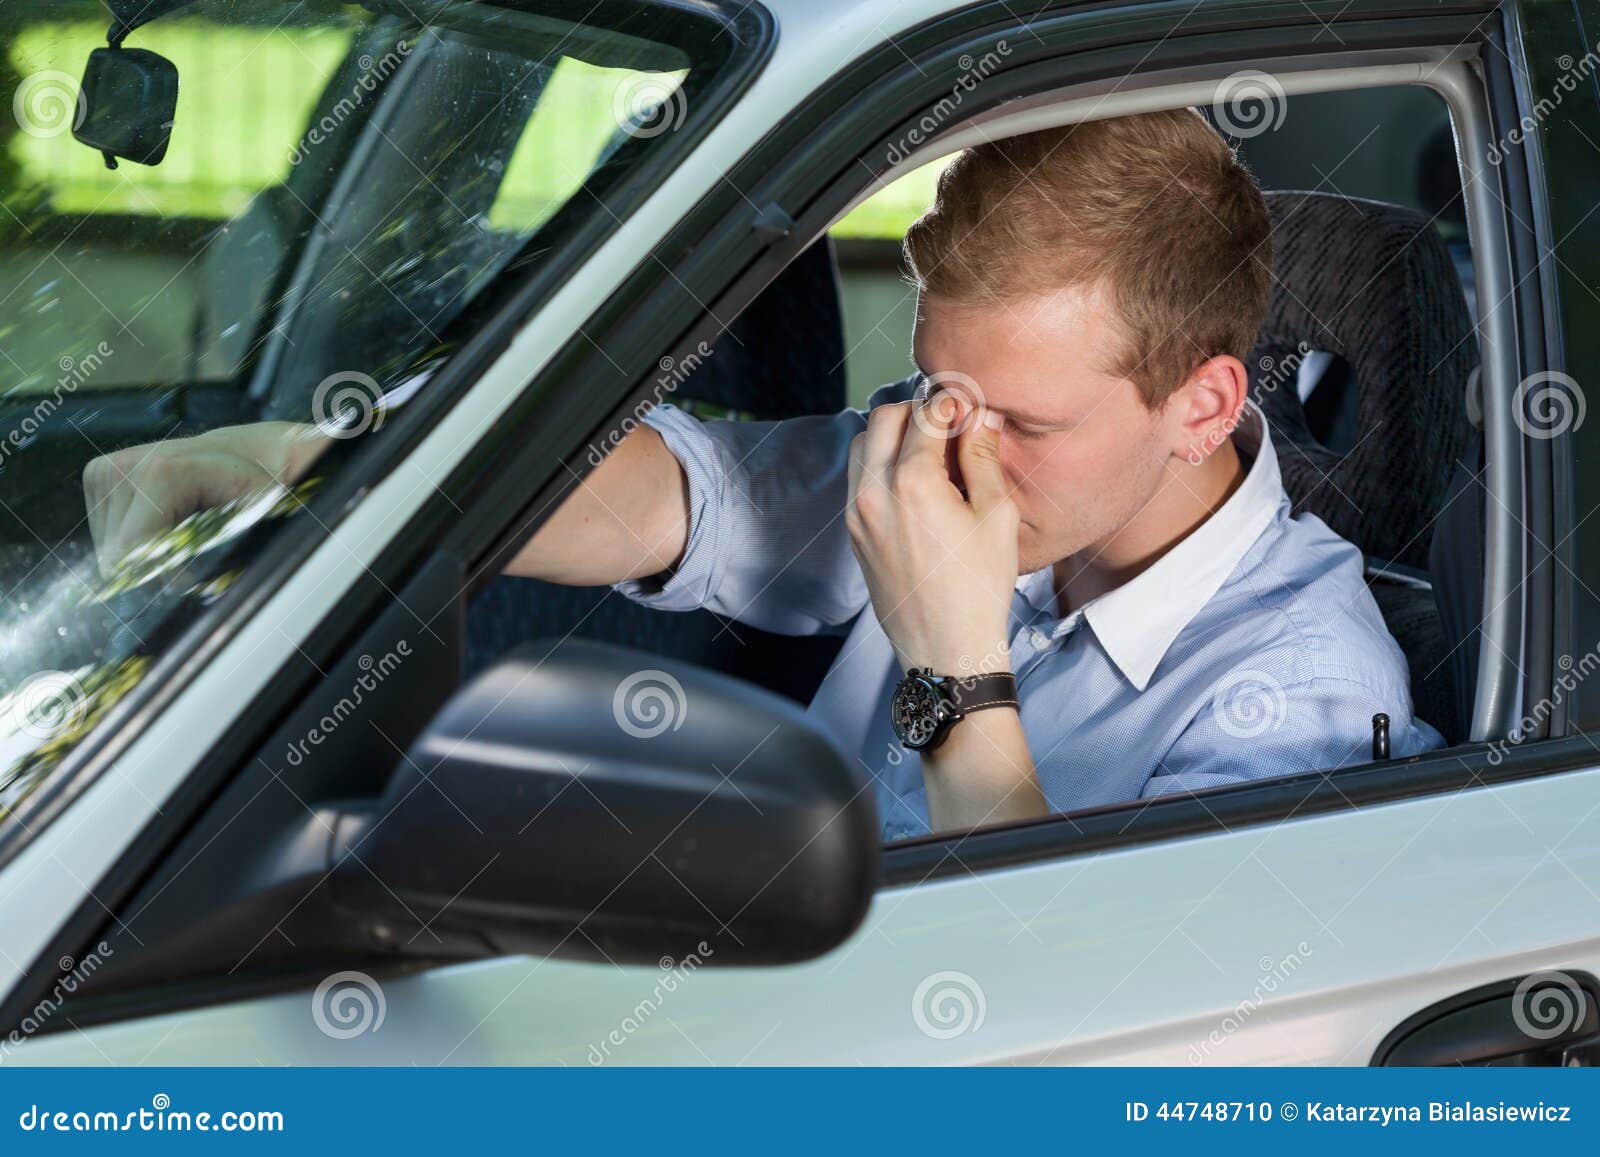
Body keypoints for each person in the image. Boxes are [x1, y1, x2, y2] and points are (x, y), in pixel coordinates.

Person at [82, 108, 1443, 842]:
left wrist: (952, 662)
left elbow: (1092, 1021)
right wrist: (297, 463)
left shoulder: (1303, 698)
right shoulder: (950, 453)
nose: (955, 453)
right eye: (938, 389)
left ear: (1202, 405)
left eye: (1024, 421)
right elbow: (672, 497)